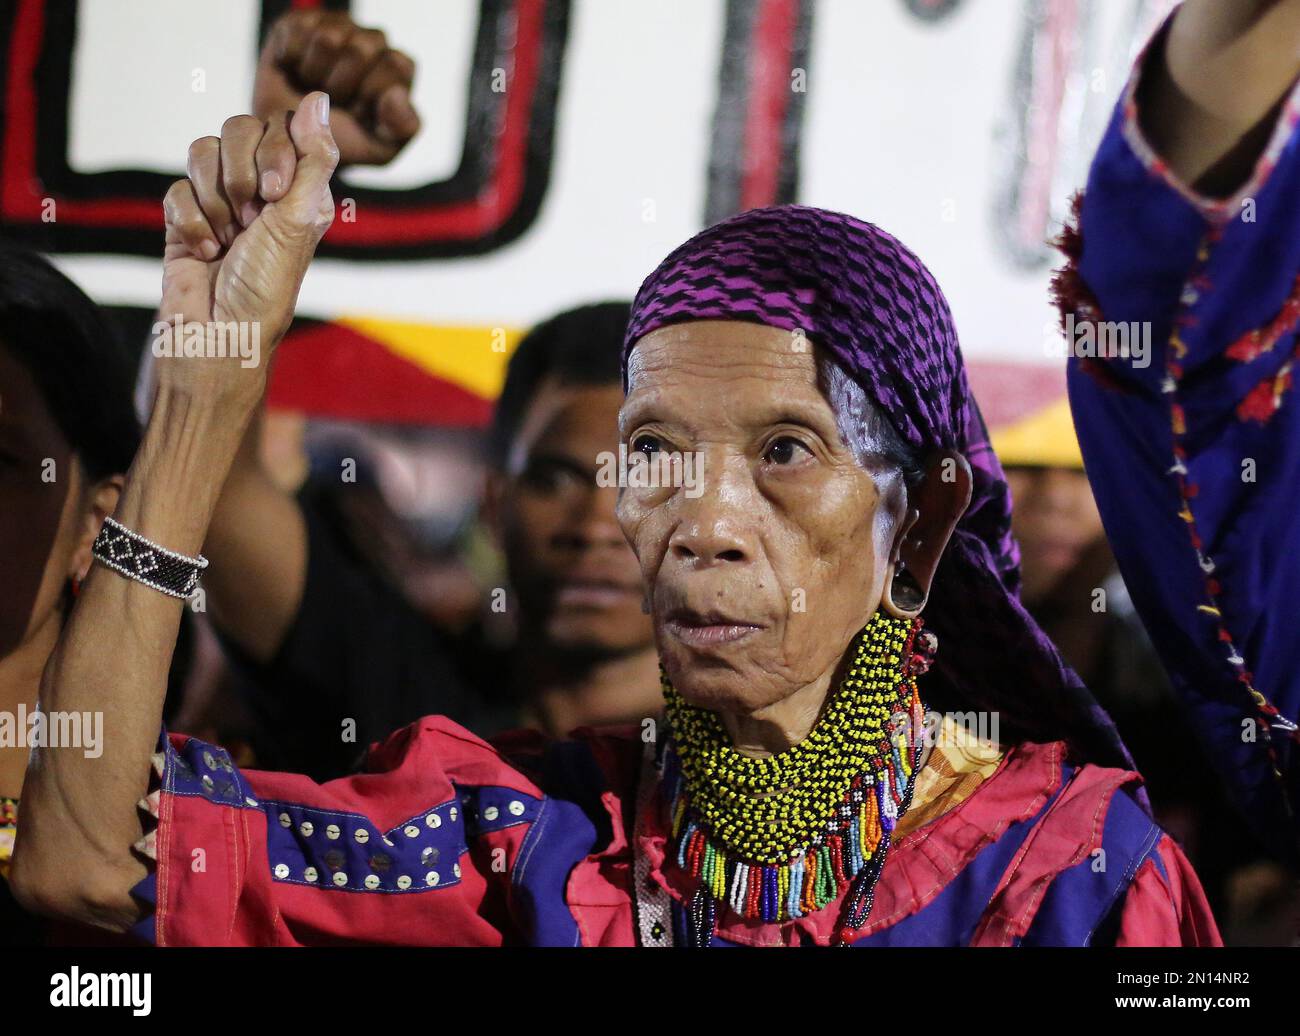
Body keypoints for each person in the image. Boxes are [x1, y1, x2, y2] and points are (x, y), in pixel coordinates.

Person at [13, 0, 1274, 946]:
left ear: (924, 514)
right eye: (657, 455)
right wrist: (203, 377)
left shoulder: (1064, 873)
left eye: (786, 452)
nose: (703, 525)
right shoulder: (513, 837)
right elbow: (85, 869)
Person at [199, 12, 660, 778]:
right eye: (555, 478)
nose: (596, 524)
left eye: (642, 479)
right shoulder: (396, 698)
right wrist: (283, 172)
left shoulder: (771, 763)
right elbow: (204, 481)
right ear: (492, 500)